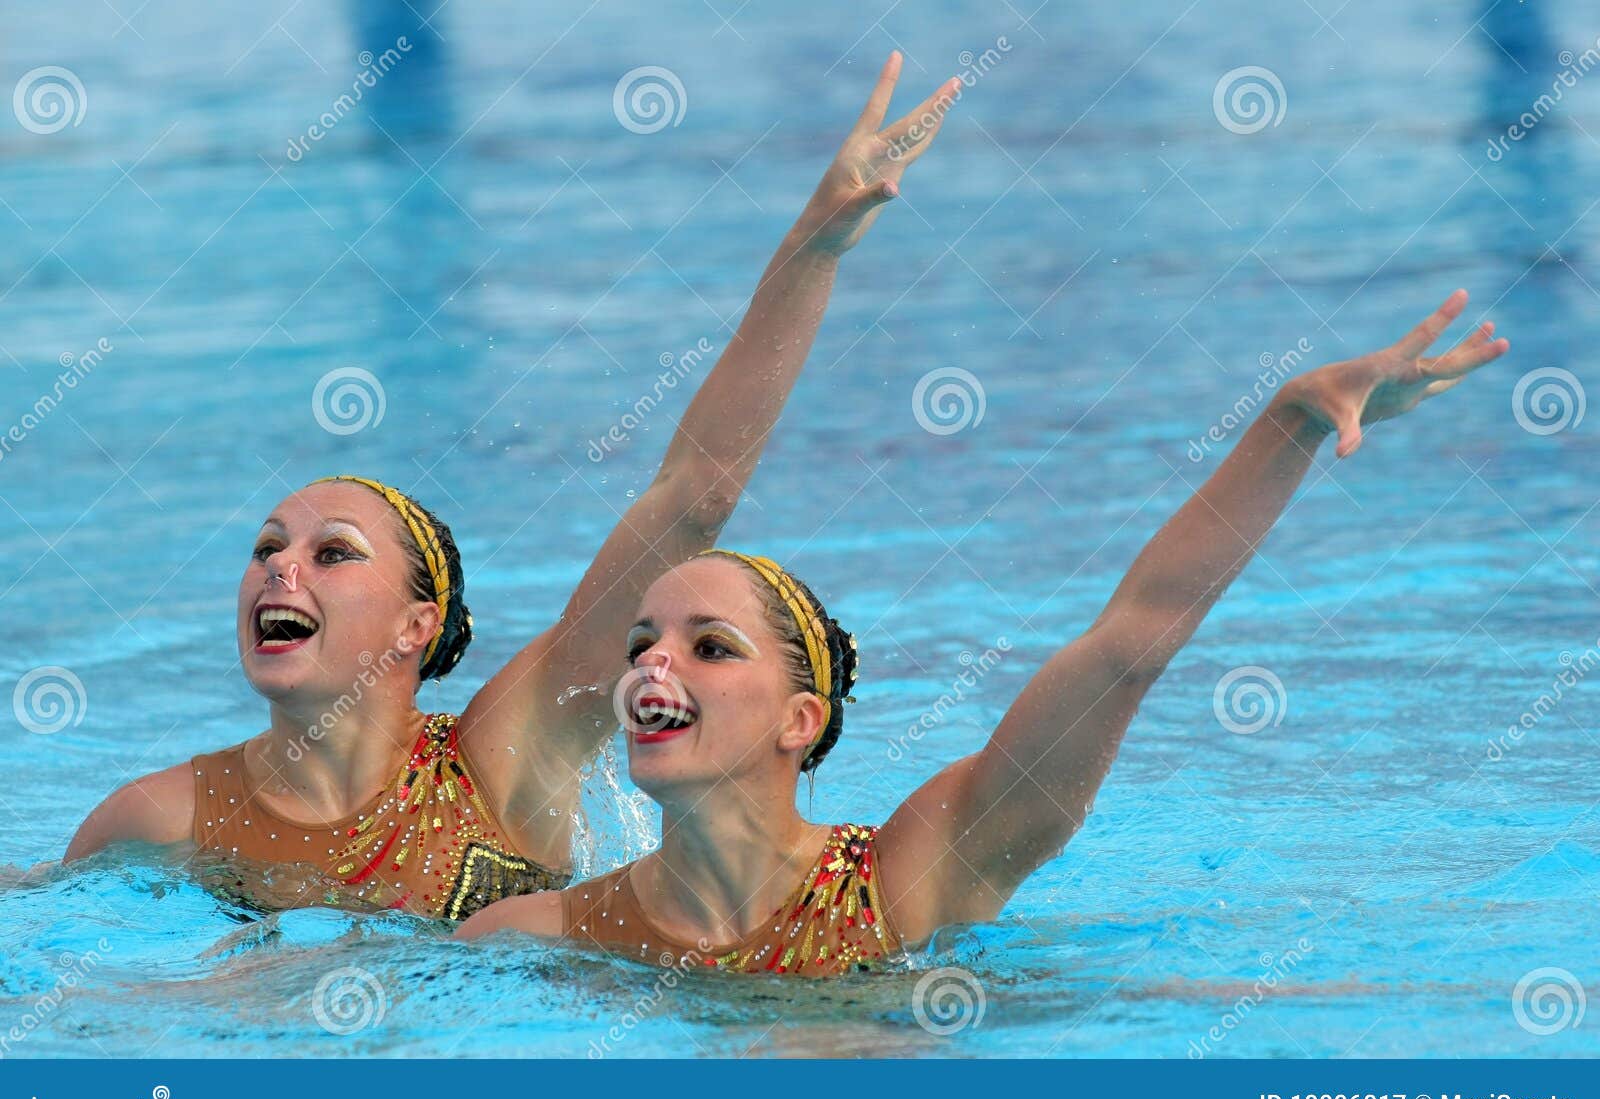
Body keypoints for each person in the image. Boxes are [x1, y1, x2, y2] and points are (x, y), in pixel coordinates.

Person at [63, 54, 962, 922]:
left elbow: (698, 496)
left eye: (331, 552)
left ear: (416, 626)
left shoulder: (503, 761)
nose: (278, 570)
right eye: (266, 549)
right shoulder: (163, 820)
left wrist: (817, 243)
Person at [457, 292, 1509, 968]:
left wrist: (1286, 424)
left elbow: (1128, 647)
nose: (652, 662)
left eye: (709, 645)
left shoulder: (913, 878)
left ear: (799, 719)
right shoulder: (539, 937)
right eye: (643, 639)